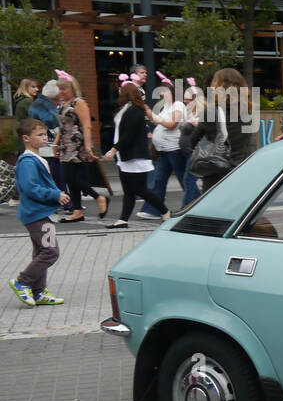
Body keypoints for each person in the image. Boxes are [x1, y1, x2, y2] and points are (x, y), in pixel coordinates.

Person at [7, 119, 69, 308]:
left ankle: (38, 291)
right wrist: (55, 194)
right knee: (50, 252)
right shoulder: (27, 161)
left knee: (41, 253)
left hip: (40, 213)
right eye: (40, 135)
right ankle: (22, 281)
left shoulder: (36, 159)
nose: (45, 138)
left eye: (45, 134)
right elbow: (29, 188)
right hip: (38, 214)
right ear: (26, 138)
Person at [102, 82, 169, 228]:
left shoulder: (134, 110)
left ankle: (165, 211)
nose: (119, 94)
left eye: (121, 92)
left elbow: (128, 135)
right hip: (126, 156)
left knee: (140, 189)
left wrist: (114, 149)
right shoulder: (127, 109)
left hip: (135, 156)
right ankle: (123, 220)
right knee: (129, 191)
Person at [52, 75, 108, 222]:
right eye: (60, 89)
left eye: (64, 88)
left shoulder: (79, 102)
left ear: (72, 88)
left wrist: (89, 147)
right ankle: (77, 210)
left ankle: (99, 197)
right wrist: (56, 144)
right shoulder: (64, 103)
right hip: (65, 144)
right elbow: (62, 126)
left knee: (71, 177)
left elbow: (87, 125)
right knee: (71, 179)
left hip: (78, 144)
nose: (61, 92)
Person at [141, 75, 186, 217]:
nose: (161, 94)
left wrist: (153, 116)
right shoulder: (166, 106)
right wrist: (151, 115)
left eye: (164, 91)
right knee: (159, 179)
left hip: (175, 149)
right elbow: (159, 122)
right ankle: (153, 209)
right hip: (163, 149)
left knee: (183, 179)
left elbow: (172, 124)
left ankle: (194, 204)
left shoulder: (178, 105)